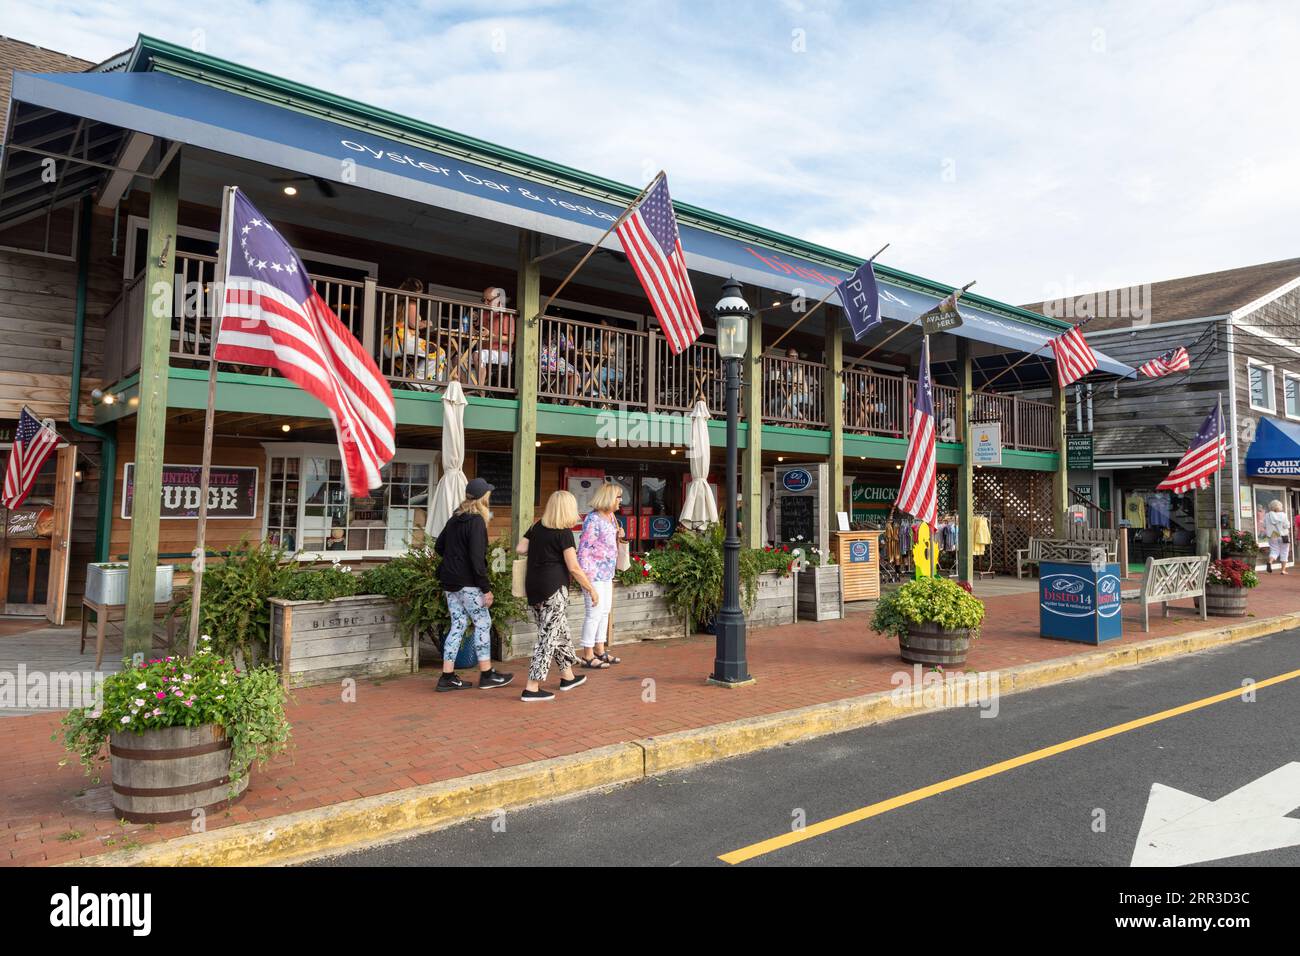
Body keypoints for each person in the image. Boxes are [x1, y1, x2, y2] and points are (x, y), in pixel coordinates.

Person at [433, 477, 513, 691]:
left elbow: (438, 547)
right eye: (488, 493)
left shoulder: (455, 518)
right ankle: (486, 674)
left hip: (450, 582)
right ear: (482, 497)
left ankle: (447, 677)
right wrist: (486, 589)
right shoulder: (476, 521)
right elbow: (478, 560)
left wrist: (455, 557)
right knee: (483, 623)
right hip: (469, 583)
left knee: (457, 626)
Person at [516, 490, 597, 701]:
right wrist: (591, 588)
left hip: (534, 587)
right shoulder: (564, 533)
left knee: (558, 631)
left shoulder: (536, 527)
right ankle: (531, 687)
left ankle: (567, 676)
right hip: (554, 589)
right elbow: (574, 567)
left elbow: (520, 549)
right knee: (547, 637)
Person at [576, 482, 626, 668]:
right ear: (609, 498)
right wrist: (586, 578)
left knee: (604, 612)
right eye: (618, 497)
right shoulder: (593, 519)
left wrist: (619, 535)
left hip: (607, 572)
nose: (620, 501)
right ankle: (587, 655)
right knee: (594, 613)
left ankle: (599, 649)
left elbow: (608, 543)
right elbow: (584, 549)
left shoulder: (611, 517)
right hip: (593, 573)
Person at [383, 277, 446, 391]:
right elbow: (413, 324)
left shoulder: (396, 301)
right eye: (419, 293)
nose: (419, 297)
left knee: (422, 356)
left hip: (389, 343)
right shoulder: (411, 302)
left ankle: (412, 380)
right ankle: (419, 383)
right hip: (402, 340)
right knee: (439, 353)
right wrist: (424, 323)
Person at [1263, 499, 1290, 574]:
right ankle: (1283, 570)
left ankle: (1270, 562)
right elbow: (1286, 525)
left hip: (1273, 534)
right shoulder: (1283, 515)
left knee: (1274, 550)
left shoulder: (1267, 515)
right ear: (1279, 507)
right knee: (1284, 551)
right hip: (1283, 535)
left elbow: (1264, 525)